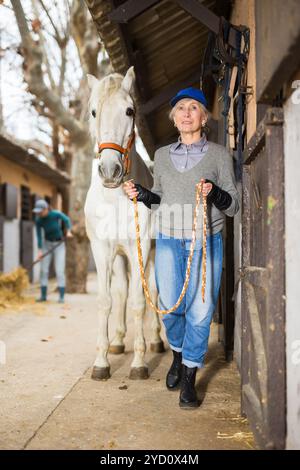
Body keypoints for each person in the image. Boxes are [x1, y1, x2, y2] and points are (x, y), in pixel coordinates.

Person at [123, 87, 240, 409]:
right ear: (174, 119)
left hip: (207, 240)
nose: (187, 113)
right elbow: (160, 198)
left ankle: (189, 376)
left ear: (204, 117)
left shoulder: (219, 155)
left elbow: (233, 205)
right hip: (169, 240)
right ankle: (177, 354)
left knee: (201, 314)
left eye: (194, 108)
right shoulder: (161, 156)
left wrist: (215, 191)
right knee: (171, 307)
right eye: (180, 109)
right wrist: (143, 195)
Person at [33, 199, 73, 303]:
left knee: (59, 270)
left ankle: (61, 297)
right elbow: (39, 236)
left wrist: (68, 231)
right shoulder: (39, 220)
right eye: (37, 212)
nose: (39, 213)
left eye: (40, 211)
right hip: (47, 244)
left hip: (59, 244)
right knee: (44, 270)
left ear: (46, 209)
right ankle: (43, 296)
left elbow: (67, 220)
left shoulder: (55, 214)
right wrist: (40, 250)